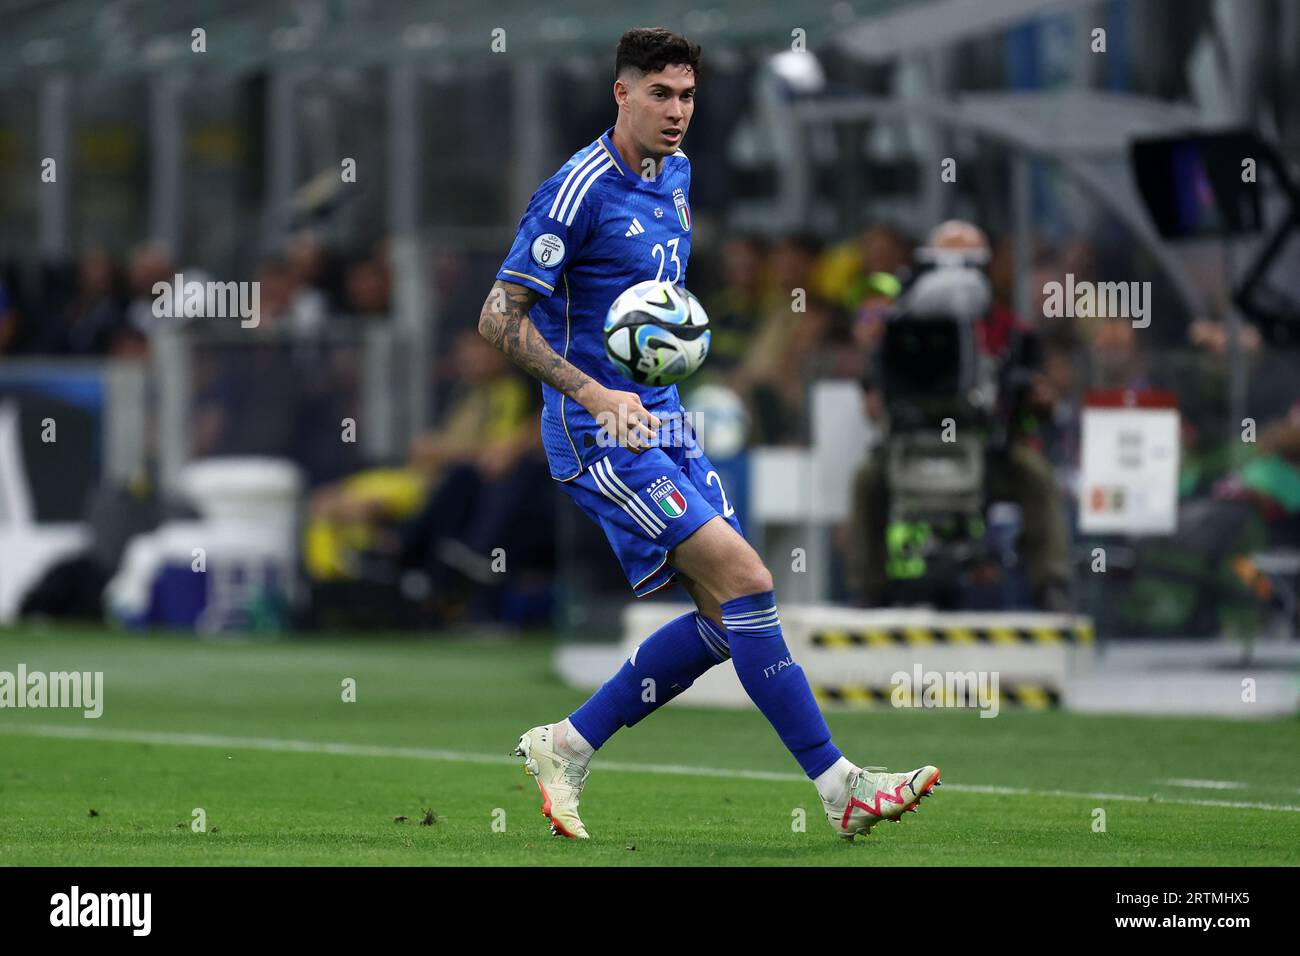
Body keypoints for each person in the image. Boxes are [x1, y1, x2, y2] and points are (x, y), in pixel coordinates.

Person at [478, 27, 939, 841]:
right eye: (660, 94)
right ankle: (843, 787)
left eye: (688, 96)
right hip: (597, 431)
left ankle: (568, 743)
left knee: (731, 621)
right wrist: (597, 393)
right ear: (621, 93)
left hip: (665, 420)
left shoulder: (680, 174)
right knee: (749, 577)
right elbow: (497, 317)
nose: (677, 111)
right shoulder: (575, 190)